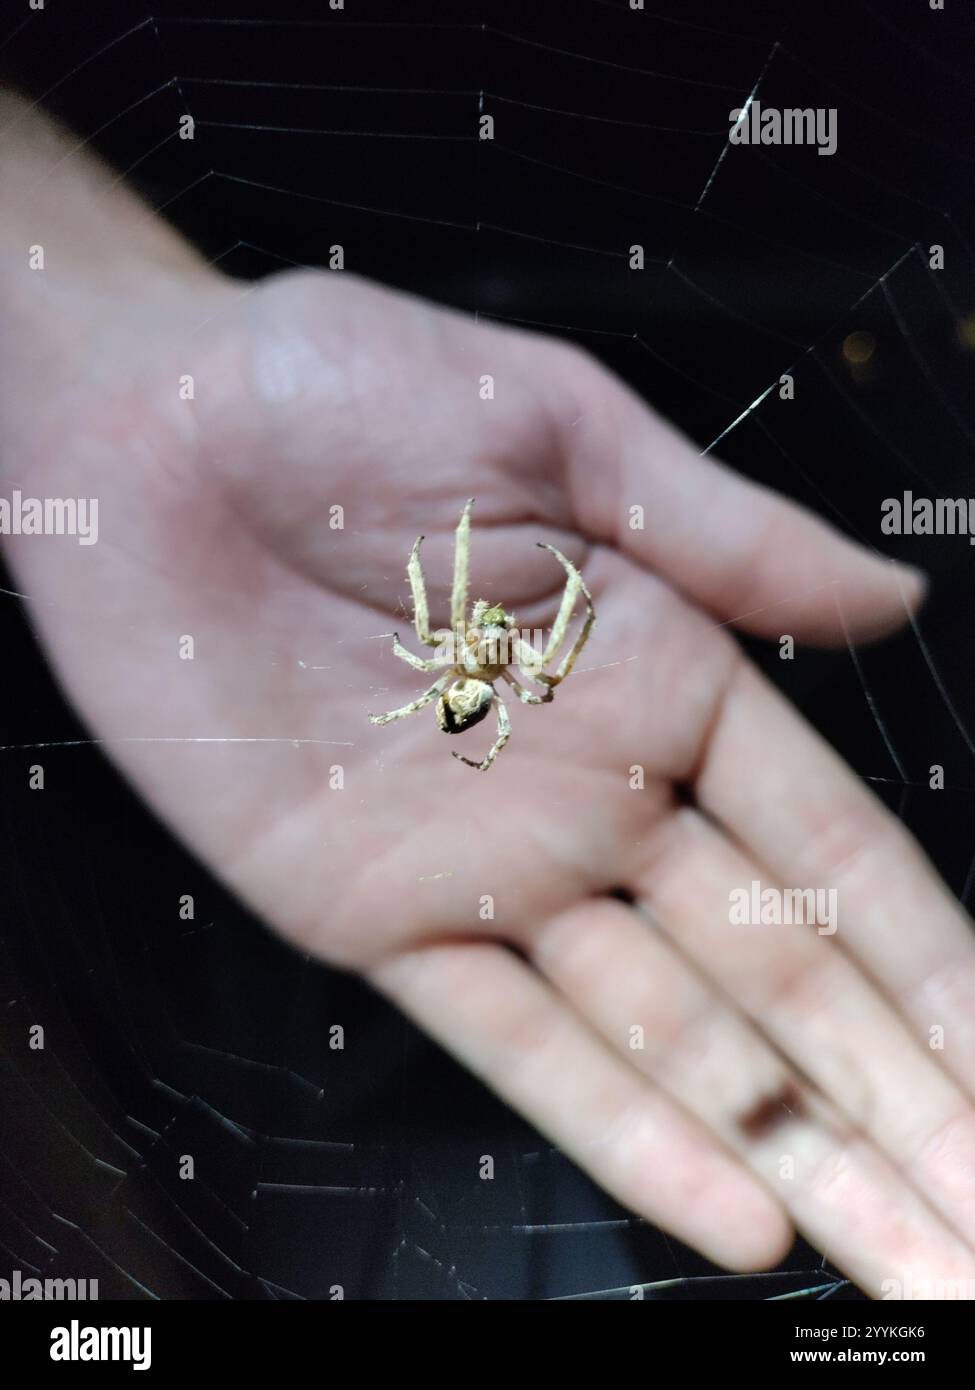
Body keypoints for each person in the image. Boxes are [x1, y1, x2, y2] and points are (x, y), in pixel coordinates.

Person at [2, 88, 974, 1297]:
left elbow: (486, 670)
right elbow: (453, 662)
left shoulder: (476, 671)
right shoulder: (462, 665)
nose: (463, 646)